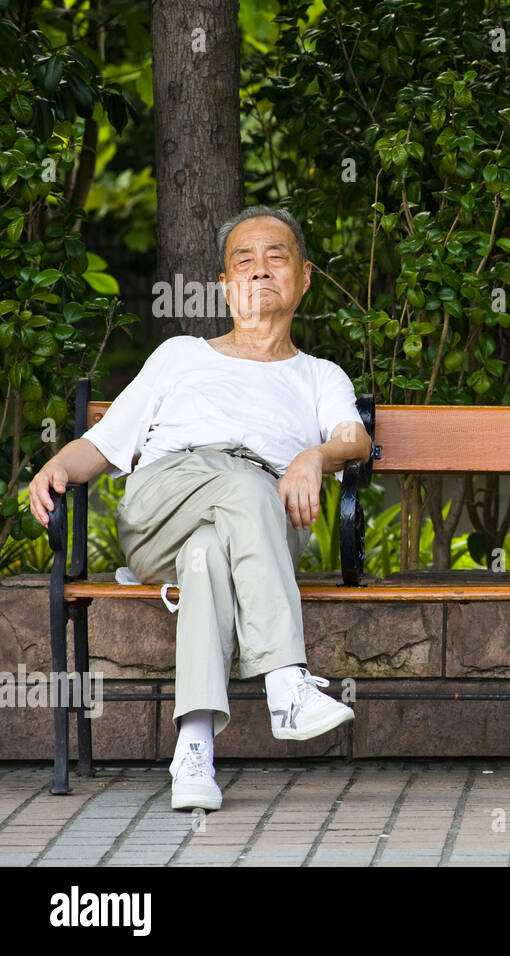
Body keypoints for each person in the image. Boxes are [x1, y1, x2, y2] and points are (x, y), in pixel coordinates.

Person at [27, 206, 373, 813]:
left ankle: (193, 751)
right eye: (244, 260)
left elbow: (356, 441)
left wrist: (314, 457)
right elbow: (106, 446)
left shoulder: (320, 375)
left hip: (255, 525)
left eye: (276, 257)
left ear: (305, 276)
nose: (260, 271)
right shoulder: (180, 356)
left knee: (209, 553)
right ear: (223, 285)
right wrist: (59, 464)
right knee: (243, 487)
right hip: (164, 500)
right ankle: (286, 679)